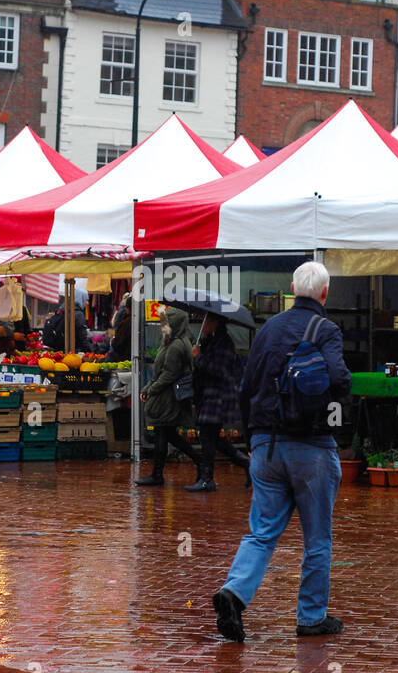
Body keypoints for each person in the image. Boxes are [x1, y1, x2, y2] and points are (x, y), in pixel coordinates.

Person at [212, 261, 351, 642]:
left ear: (292, 288)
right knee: (317, 538)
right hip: (311, 448)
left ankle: (234, 592)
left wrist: (252, 436)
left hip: (265, 445)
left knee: (262, 532)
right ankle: (310, 618)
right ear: (325, 293)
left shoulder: (268, 329)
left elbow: (246, 386)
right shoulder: (326, 330)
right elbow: (339, 381)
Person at [135, 307, 201, 486]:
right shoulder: (171, 342)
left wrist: (150, 390)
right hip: (165, 396)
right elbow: (161, 373)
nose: (162, 326)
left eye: (165, 323)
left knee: (162, 434)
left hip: (168, 398)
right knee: (168, 435)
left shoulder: (176, 346)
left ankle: (158, 474)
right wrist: (149, 387)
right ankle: (198, 461)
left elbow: (168, 375)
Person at [186, 314, 250, 492]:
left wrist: (198, 357)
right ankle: (246, 464)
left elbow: (218, 370)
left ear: (215, 323)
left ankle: (207, 479)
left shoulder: (224, 343)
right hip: (210, 395)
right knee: (213, 439)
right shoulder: (212, 341)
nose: (203, 325)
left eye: (206, 321)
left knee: (208, 436)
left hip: (217, 396)